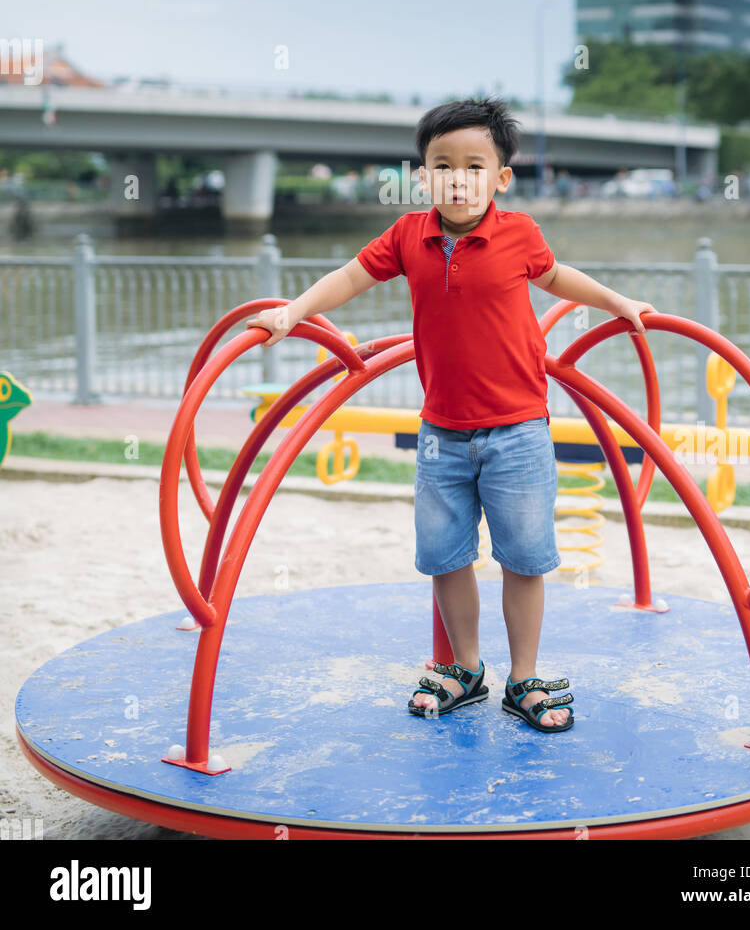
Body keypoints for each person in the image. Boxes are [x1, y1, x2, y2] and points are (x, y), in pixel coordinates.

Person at [246, 97, 656, 733]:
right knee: (445, 556)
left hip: (518, 429)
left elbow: (556, 278)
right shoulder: (410, 236)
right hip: (440, 432)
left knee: (523, 559)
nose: (457, 178)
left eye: (473, 165)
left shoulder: (519, 232)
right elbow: (349, 279)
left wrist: (615, 301)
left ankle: (524, 678)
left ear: (500, 177)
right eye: (442, 165)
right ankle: (466, 668)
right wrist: (293, 313)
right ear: (423, 176)